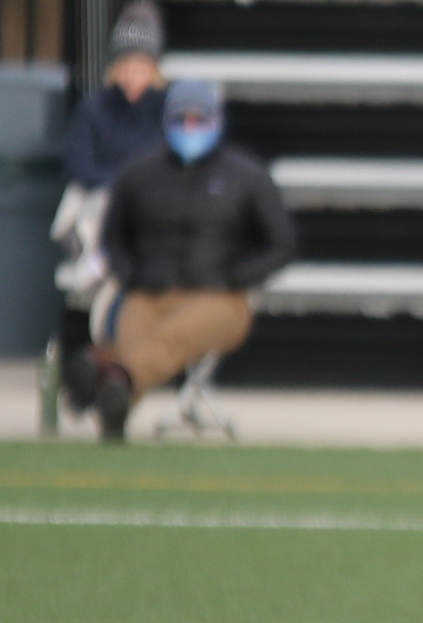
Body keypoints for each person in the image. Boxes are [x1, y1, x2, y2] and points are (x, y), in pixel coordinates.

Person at [64, 79, 297, 442]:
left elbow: (281, 243)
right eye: (181, 120)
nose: (190, 128)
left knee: (171, 340)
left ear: (216, 121)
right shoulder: (138, 175)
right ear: (167, 122)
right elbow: (113, 237)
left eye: (198, 120)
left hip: (219, 296)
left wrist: (238, 276)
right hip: (149, 289)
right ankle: (114, 406)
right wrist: (129, 272)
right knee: (138, 342)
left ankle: (104, 370)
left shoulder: (246, 176)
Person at [53, 0, 169, 310]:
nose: (132, 76)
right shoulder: (93, 109)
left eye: (141, 67)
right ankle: (100, 256)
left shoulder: (166, 109)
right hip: (103, 194)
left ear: (154, 69)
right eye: (125, 67)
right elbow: (78, 165)